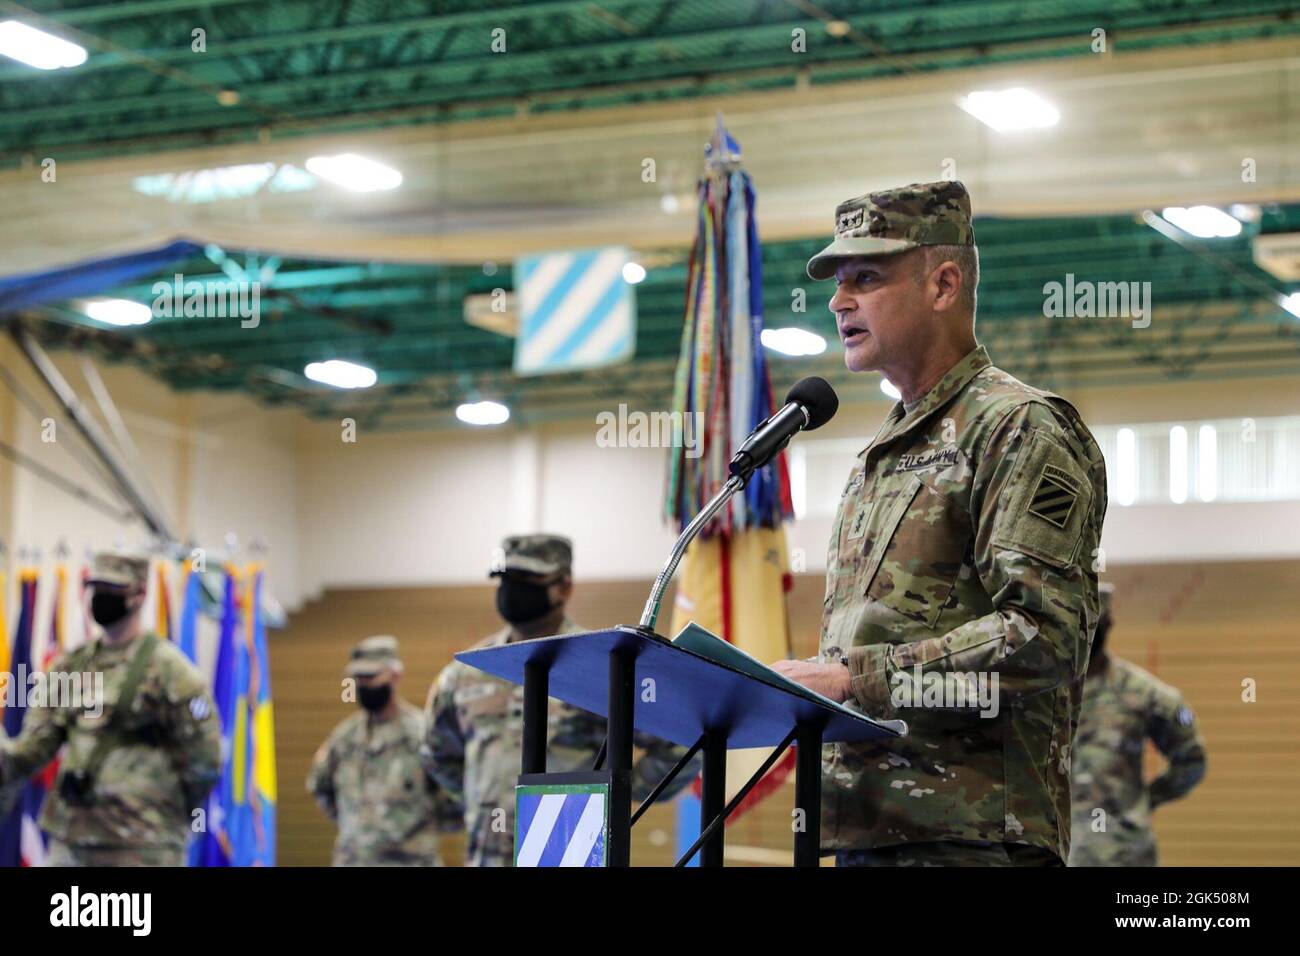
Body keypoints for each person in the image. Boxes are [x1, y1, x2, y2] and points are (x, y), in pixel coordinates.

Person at [770, 180, 1108, 866]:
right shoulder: (883, 452)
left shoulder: (1018, 428)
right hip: (867, 831)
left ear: (944, 284)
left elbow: (1043, 638)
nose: (839, 301)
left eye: (865, 277)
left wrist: (855, 681)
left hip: (972, 838)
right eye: (838, 281)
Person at [422, 534, 698, 866]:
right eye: (506, 579)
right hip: (488, 855)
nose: (513, 589)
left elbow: (680, 743)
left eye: (527, 579)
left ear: (564, 588)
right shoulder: (465, 672)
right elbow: (437, 755)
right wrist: (478, 801)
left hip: (568, 851)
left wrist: (622, 792)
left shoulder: (602, 664)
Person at [0, 551, 220, 866]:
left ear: (139, 595)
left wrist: (157, 804)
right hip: (73, 839)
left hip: (144, 845)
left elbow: (205, 761)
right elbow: (34, 749)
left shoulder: (172, 672)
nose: (101, 598)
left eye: (112, 590)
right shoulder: (70, 666)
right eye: (96, 588)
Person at [1069, 584, 1207, 866]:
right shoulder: (1043, 691)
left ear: (1107, 625)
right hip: (1055, 850)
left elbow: (1191, 759)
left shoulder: (1142, 693)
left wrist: (1144, 802)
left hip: (1121, 854)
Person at [307, 635, 459, 866]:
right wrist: (358, 827)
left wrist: (417, 833)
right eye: (357, 679)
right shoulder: (344, 738)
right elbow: (320, 786)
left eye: (370, 677)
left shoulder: (424, 734)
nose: (364, 686)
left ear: (396, 676)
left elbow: (456, 797)